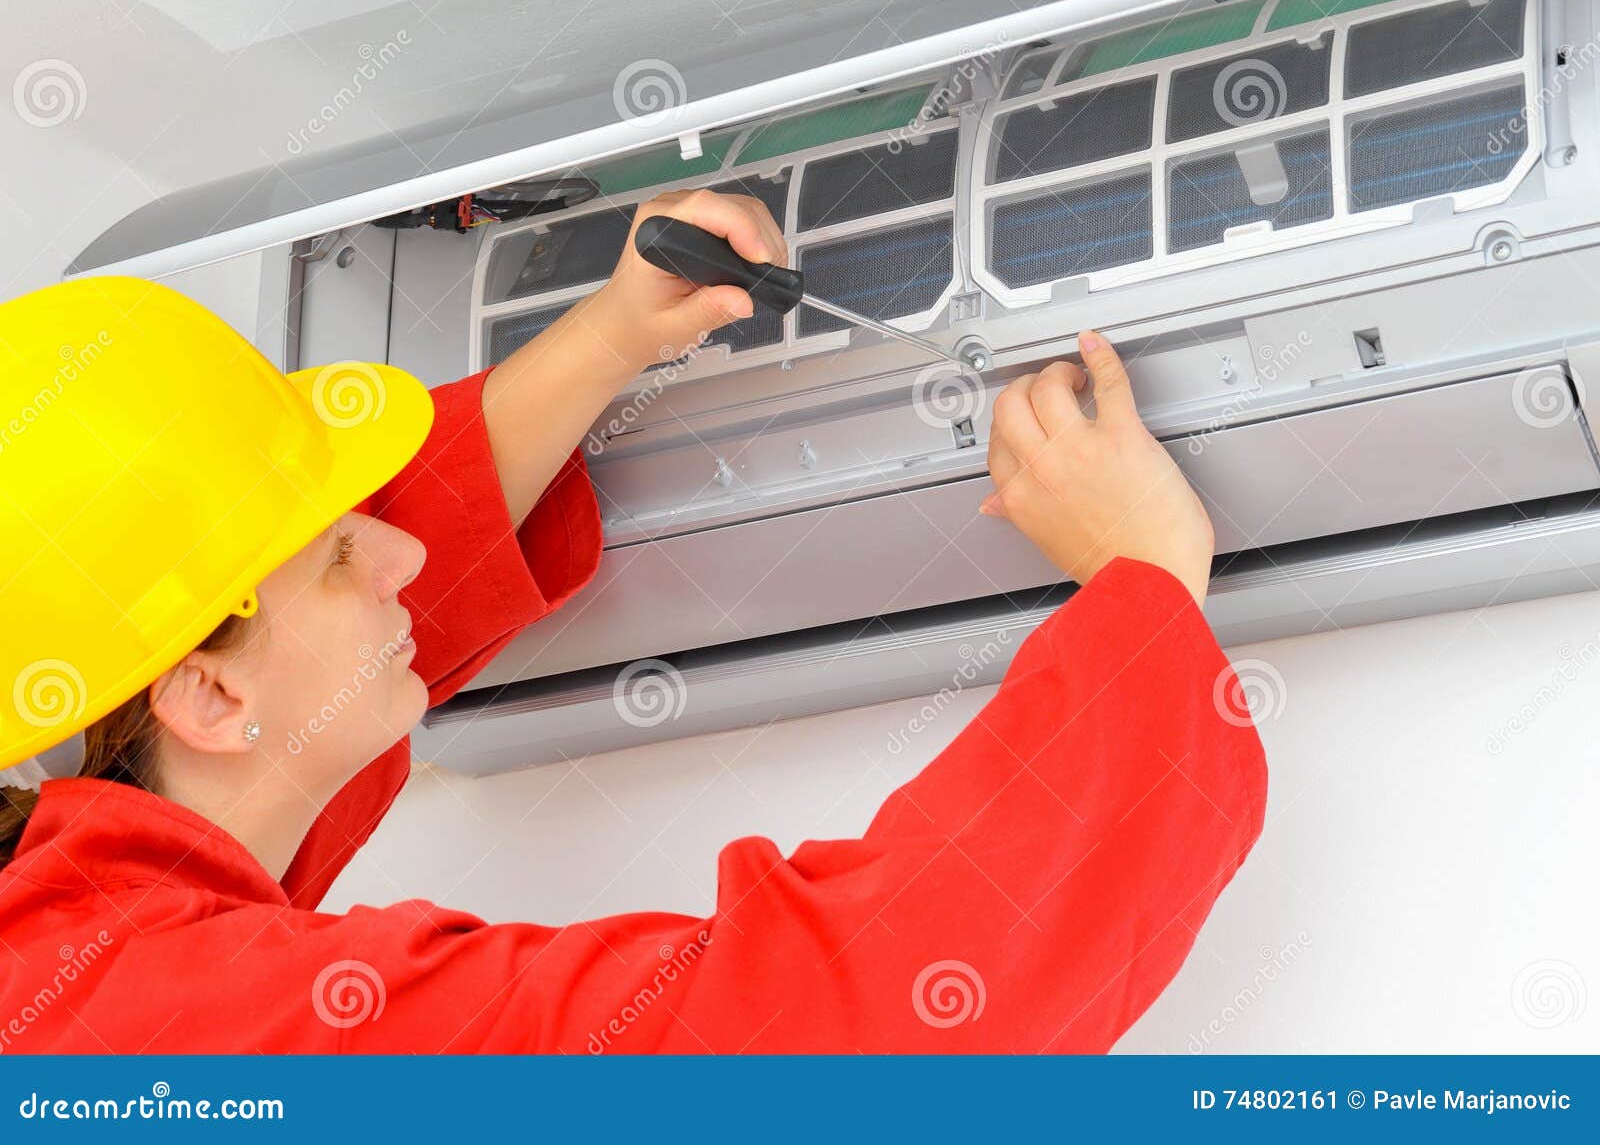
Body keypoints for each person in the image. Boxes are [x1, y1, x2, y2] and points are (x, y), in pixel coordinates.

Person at [0, 188, 1265, 1054]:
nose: (400, 550)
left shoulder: (74, 950)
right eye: (339, 554)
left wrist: (611, 337)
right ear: (204, 696)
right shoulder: (177, 1034)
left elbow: (286, 674)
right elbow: (845, 1036)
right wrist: (1139, 593)